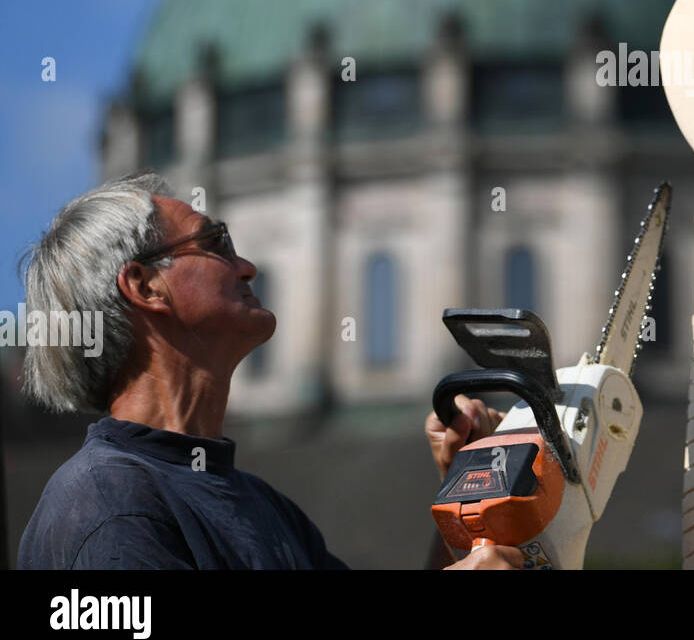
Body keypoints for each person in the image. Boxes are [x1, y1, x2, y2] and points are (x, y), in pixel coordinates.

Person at [16, 171, 521, 570]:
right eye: (215, 243)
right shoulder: (109, 506)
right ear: (145, 287)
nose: (247, 266)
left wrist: (468, 488)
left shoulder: (265, 507)